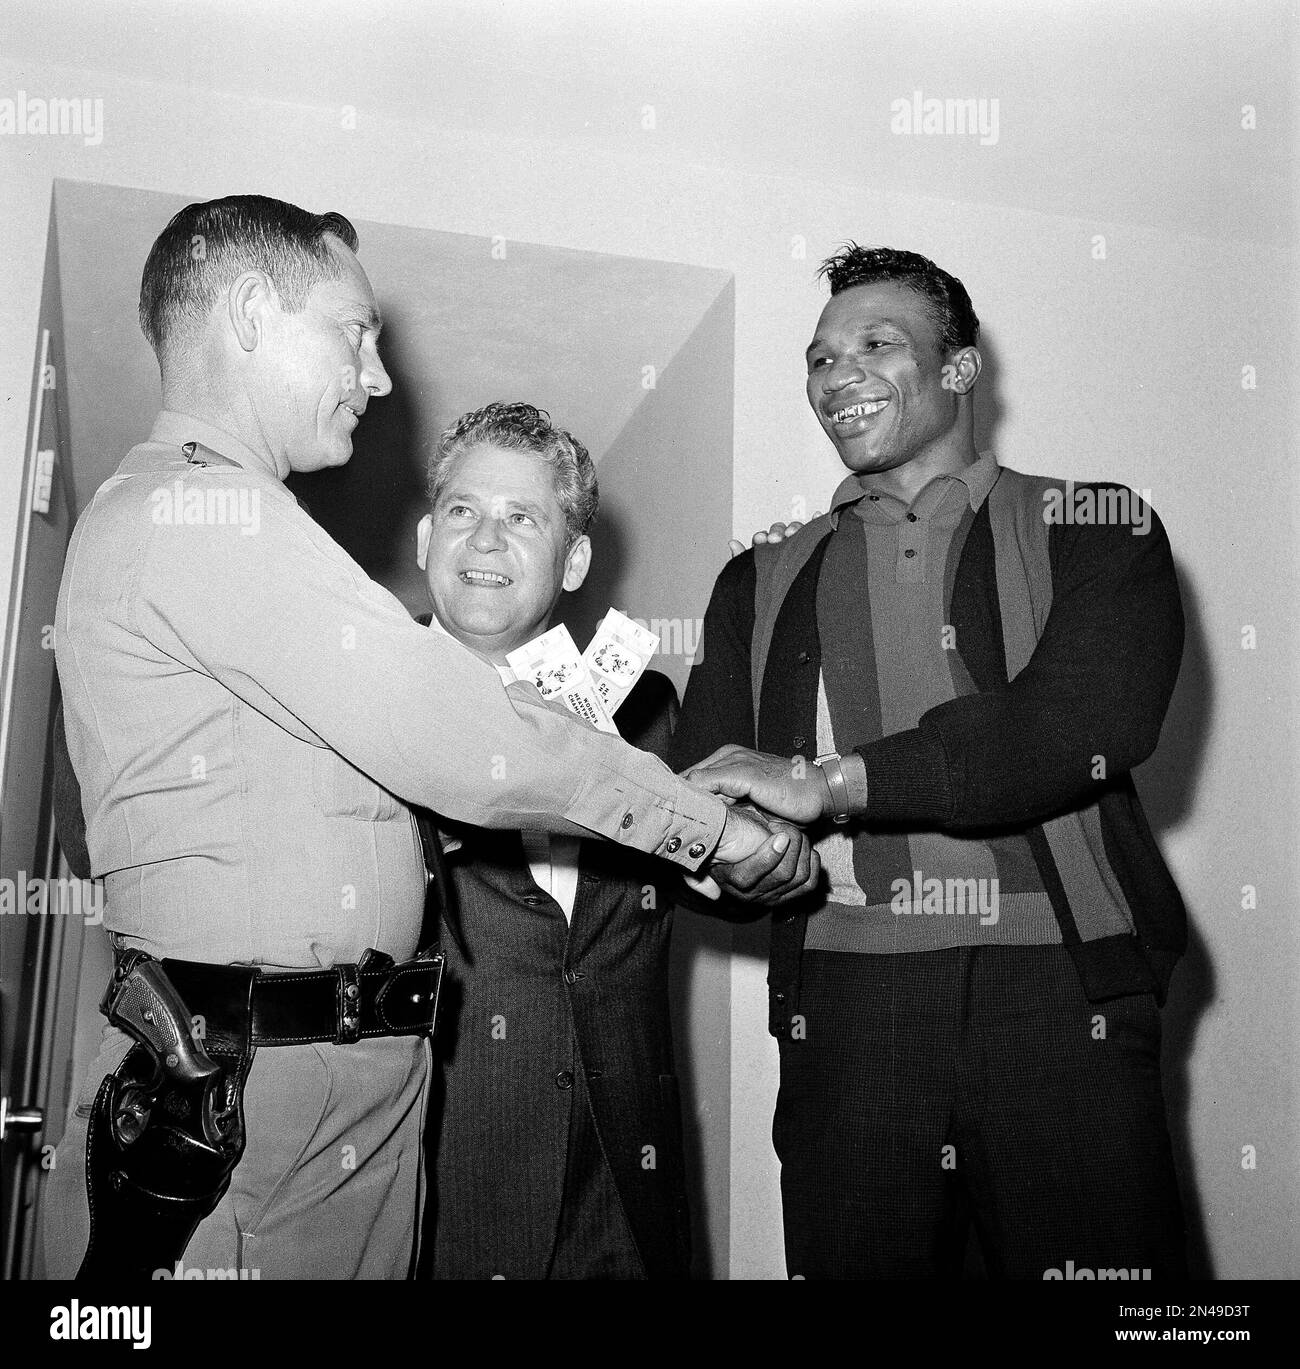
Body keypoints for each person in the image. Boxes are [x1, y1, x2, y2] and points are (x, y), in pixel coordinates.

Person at [43, 194, 806, 1281]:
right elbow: (464, 740)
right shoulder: (205, 518)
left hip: (289, 1100)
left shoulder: (196, 520)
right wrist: (711, 830)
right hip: (261, 1114)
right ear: (254, 311)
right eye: (355, 332)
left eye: (524, 521)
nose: (380, 374)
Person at [674, 244, 1190, 1280]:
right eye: (819, 358)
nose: (838, 375)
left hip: (1060, 993)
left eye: (877, 344)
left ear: (959, 369)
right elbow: (710, 787)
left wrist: (825, 785)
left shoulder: (1097, 525)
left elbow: (1074, 726)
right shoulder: (759, 577)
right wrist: (737, 855)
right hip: (845, 1003)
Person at [416, 402, 811, 1279]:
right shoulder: (359, 700)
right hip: (439, 1178)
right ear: (423, 539)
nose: (485, 539)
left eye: (522, 517)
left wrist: (763, 869)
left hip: (626, 1179)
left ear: (575, 557)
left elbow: (709, 874)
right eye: (461, 511)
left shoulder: (647, 713)